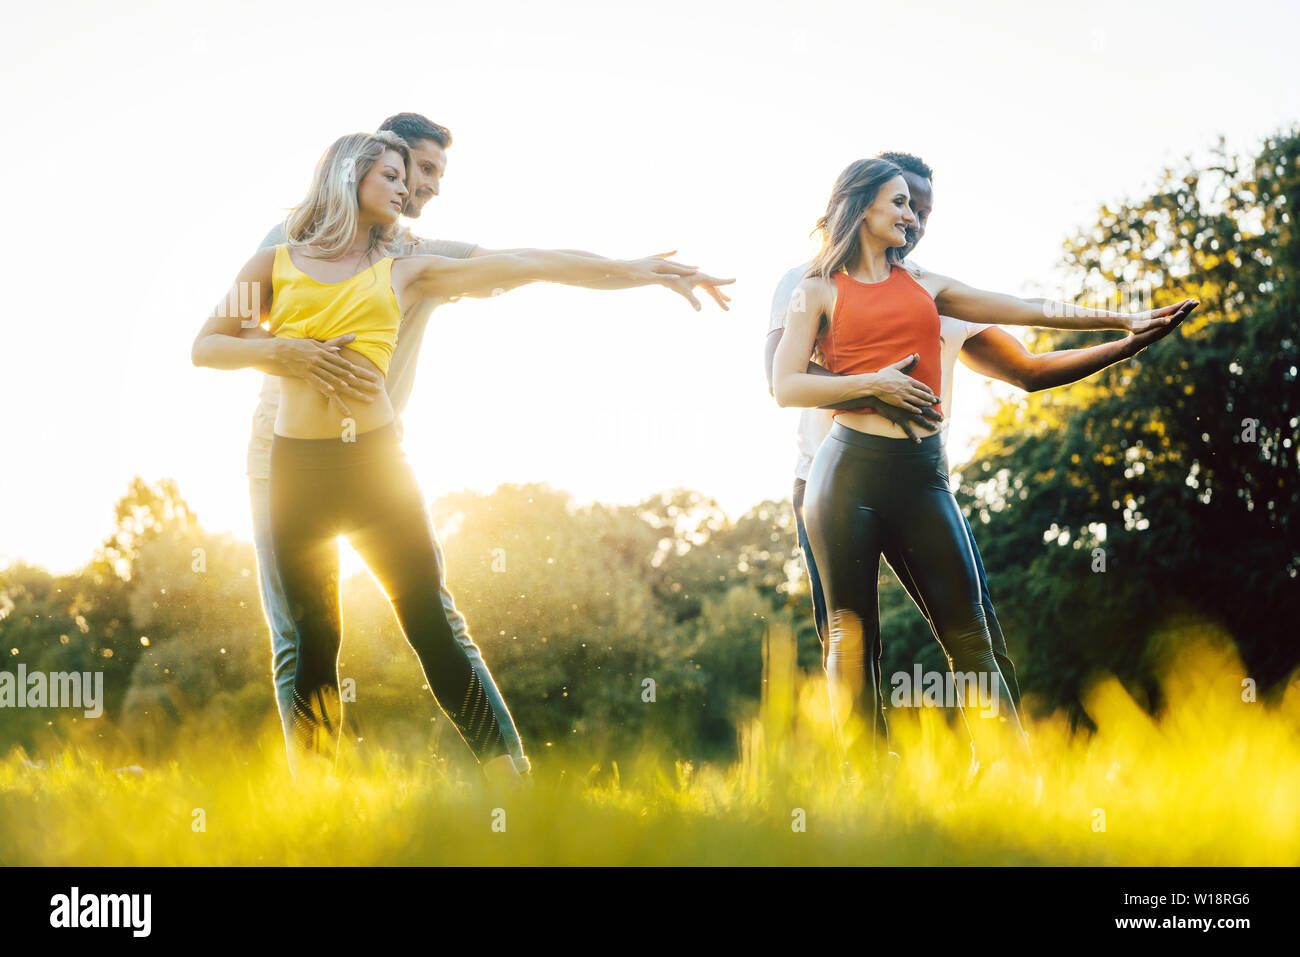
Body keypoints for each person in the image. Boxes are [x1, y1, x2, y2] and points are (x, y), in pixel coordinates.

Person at [193, 130, 732, 779]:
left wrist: (639, 270)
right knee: (314, 640)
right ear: (349, 177)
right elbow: (208, 345)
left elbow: (533, 262)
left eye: (406, 176)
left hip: (376, 467)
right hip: (294, 469)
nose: (406, 188)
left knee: (430, 620)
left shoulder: (409, 268)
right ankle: (316, 795)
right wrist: (282, 351)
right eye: (391, 175)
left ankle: (508, 770)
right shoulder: (275, 262)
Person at [764, 151, 1195, 763]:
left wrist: (1120, 321)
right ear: (862, 206)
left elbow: (1025, 309)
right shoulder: (811, 290)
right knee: (849, 636)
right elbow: (783, 387)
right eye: (902, 203)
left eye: (919, 209)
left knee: (970, 632)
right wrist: (873, 385)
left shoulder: (930, 288)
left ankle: (1009, 771)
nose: (913, 218)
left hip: (922, 476)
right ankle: (865, 782)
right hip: (841, 472)